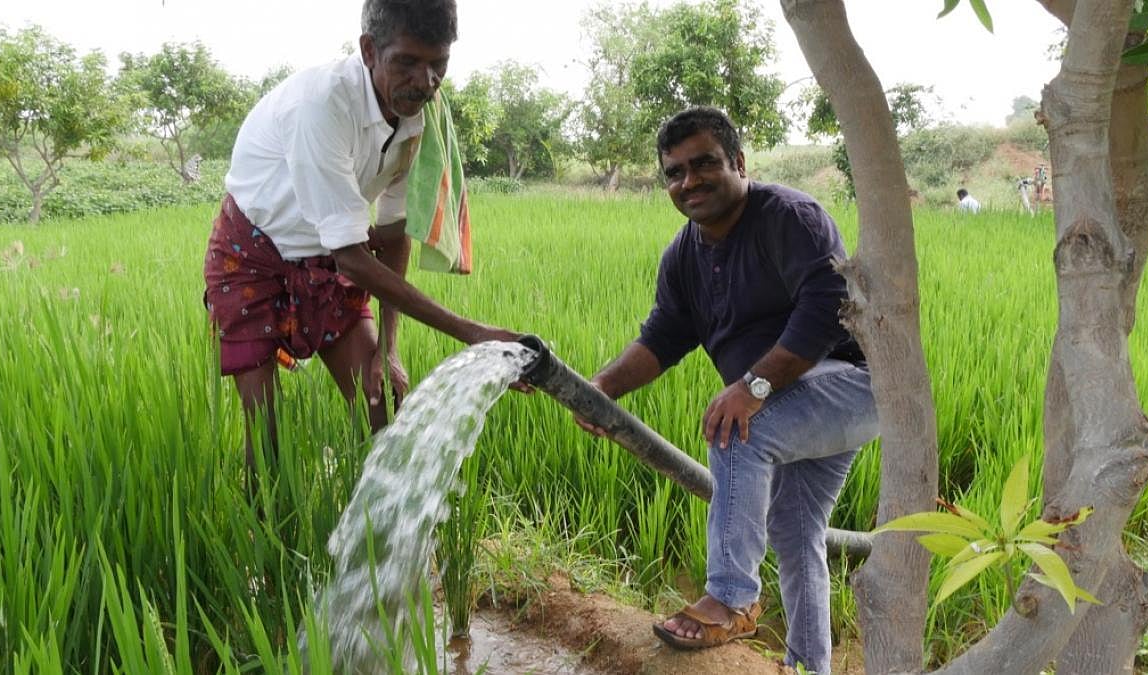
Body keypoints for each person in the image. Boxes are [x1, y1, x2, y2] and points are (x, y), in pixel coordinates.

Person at [575, 107, 877, 673]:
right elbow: (664, 336)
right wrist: (602, 387)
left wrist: (753, 386)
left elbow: (826, 307)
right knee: (796, 531)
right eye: (675, 172)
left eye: (704, 164)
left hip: (851, 386)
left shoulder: (789, 217)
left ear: (738, 162)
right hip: (792, 403)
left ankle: (732, 598)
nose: (689, 181)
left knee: (738, 430)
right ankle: (807, 666)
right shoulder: (683, 256)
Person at [203, 0, 517, 475]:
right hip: (251, 255)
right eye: (407, 62)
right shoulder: (322, 106)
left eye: (438, 64)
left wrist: (387, 351)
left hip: (324, 256)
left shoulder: (420, 118)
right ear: (369, 50)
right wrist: (473, 334)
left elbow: (392, 235)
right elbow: (353, 257)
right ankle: (263, 519)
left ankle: (383, 520)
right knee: (266, 432)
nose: (425, 82)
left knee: (382, 401)